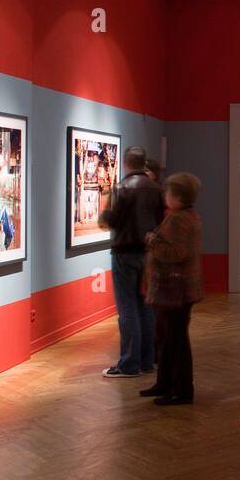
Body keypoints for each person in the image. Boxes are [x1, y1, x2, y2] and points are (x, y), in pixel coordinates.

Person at [98, 145, 161, 378]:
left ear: (126, 163)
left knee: (127, 308)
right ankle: (146, 361)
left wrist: (105, 203)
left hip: (124, 253)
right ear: (144, 164)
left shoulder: (121, 188)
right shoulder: (156, 189)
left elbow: (108, 221)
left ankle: (128, 363)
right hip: (149, 254)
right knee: (145, 306)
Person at [142, 172, 203, 405]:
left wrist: (152, 241)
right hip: (176, 289)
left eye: (168, 192)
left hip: (175, 289)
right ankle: (165, 383)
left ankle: (181, 390)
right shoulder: (185, 216)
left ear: (177, 196)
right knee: (167, 338)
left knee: (174, 339)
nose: (165, 196)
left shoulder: (179, 219)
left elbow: (176, 253)